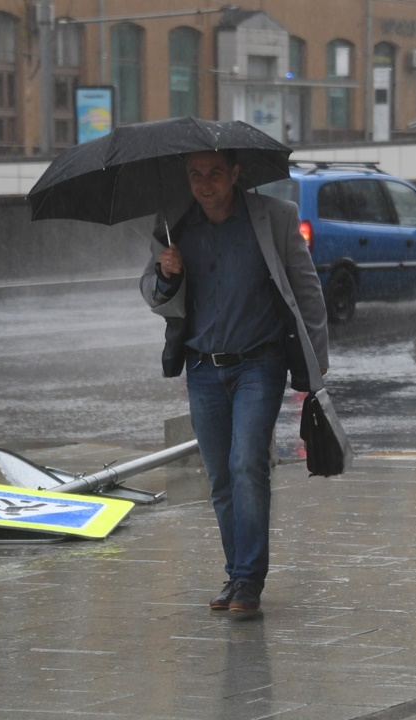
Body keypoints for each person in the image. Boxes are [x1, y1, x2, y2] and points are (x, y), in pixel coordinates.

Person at [140, 149, 329, 617]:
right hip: (203, 369)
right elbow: (152, 294)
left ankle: (248, 581)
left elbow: (307, 292)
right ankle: (235, 571)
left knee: (247, 463)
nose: (205, 184)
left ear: (236, 174)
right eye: (196, 175)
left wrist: (315, 370)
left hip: (259, 364)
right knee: (220, 476)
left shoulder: (275, 218)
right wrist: (166, 276)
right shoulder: (174, 226)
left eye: (215, 174)